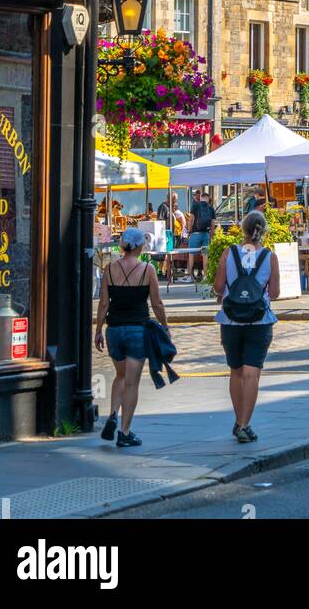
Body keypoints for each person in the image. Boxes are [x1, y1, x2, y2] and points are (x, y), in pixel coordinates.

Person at [94, 226, 169, 448]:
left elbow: (104, 303)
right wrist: (165, 326)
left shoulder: (109, 269)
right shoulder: (148, 270)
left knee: (120, 375)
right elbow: (156, 303)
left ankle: (112, 414)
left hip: (114, 329)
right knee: (132, 382)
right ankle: (124, 432)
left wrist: (98, 329)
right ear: (139, 246)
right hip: (137, 329)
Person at [213, 210, 280, 443]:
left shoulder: (228, 253)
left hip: (230, 321)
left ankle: (238, 419)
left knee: (236, 371)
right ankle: (244, 424)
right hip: (259, 321)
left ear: (242, 228)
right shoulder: (269, 256)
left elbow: (218, 286)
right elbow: (275, 293)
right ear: (263, 230)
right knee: (252, 373)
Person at [187, 188, 216, 279]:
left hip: (195, 234)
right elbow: (212, 224)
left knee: (191, 254)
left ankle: (190, 275)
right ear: (208, 199)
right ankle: (206, 276)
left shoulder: (195, 206)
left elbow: (191, 219)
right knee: (205, 255)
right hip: (205, 234)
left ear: (201, 198)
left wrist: (189, 231)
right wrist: (210, 235)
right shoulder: (211, 208)